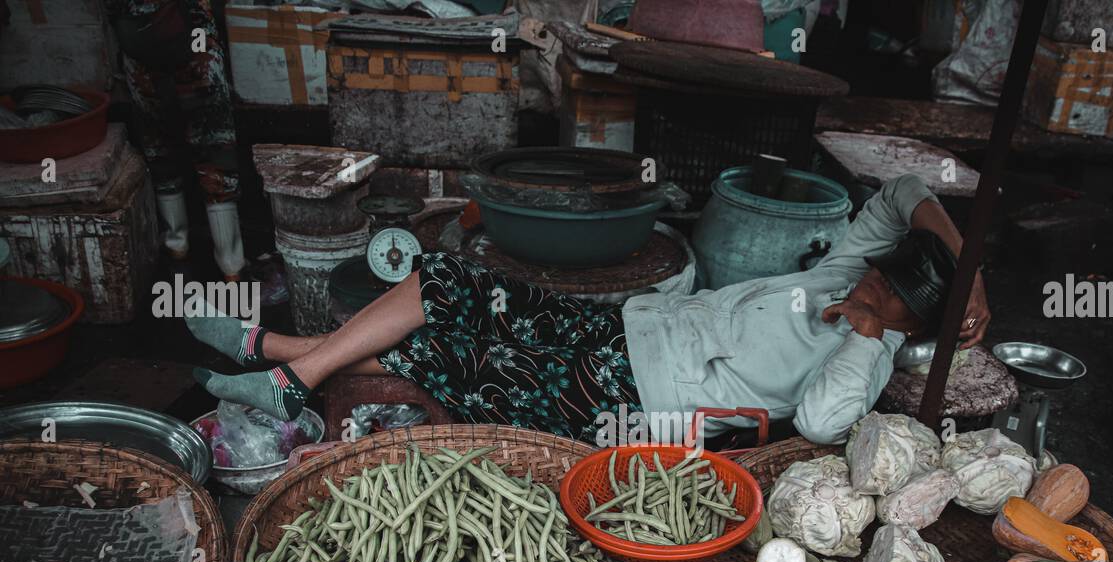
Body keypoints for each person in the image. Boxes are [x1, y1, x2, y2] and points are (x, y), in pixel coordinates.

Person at [188, 173, 990, 443]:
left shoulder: (864, 358)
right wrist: (969, 263)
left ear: (909, 324)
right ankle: (288, 355)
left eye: (886, 294)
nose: (867, 287)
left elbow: (818, 423)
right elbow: (901, 195)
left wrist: (871, 332)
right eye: (880, 276)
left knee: (452, 332)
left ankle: (282, 358)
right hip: (624, 330)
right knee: (455, 283)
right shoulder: (844, 275)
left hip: (632, 400)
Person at [107, 0, 247, 279]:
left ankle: (177, 248)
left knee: (158, 145)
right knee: (214, 147)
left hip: (138, 47)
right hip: (194, 41)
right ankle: (232, 265)